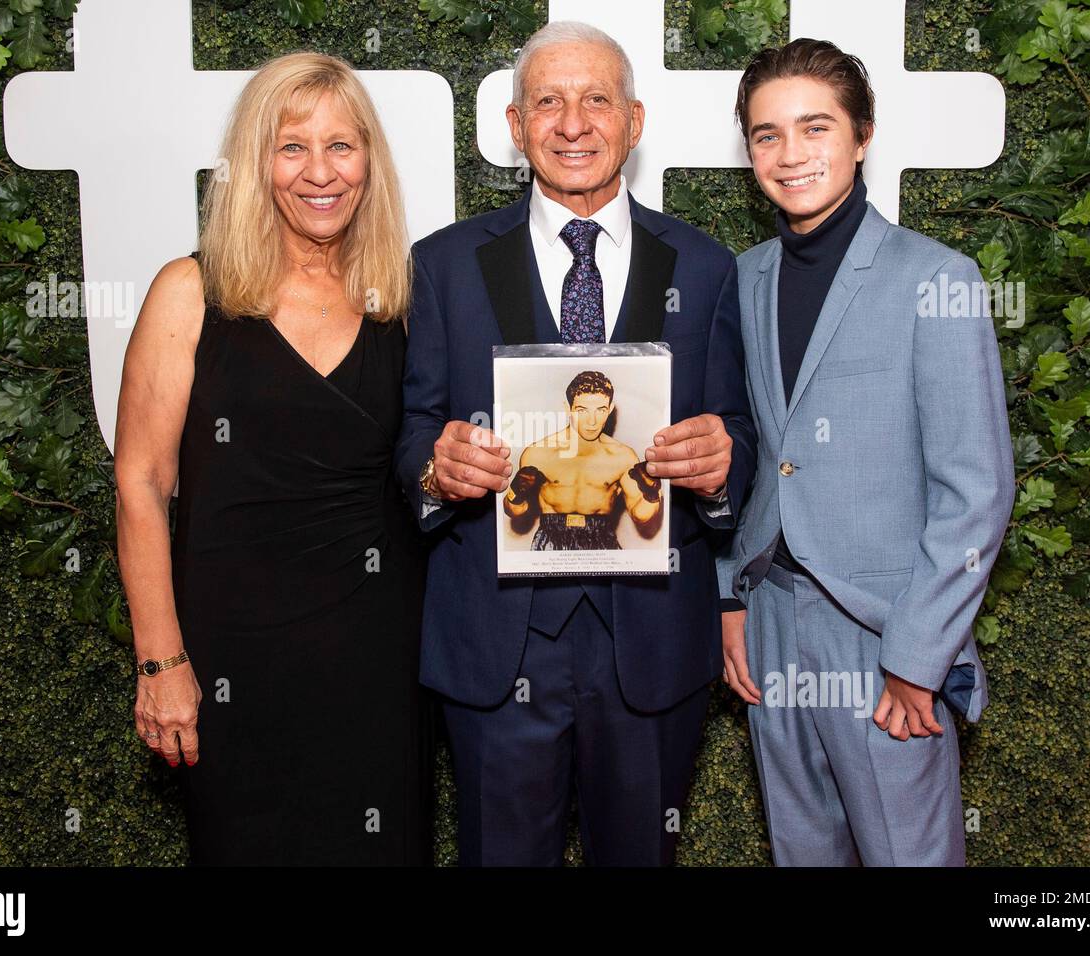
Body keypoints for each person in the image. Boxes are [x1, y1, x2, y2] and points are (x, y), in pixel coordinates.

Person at [397, 20, 757, 866]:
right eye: (547, 102)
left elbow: (739, 426)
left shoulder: (706, 268)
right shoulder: (443, 266)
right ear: (516, 127)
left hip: (651, 645)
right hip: (496, 641)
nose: (572, 122)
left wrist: (720, 462)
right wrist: (435, 468)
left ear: (633, 121)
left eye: (596, 99)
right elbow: (413, 429)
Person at [113, 52, 432, 865]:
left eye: (341, 146)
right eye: (292, 147)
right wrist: (162, 661)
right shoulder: (190, 293)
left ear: (370, 161)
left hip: (376, 657)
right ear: (255, 162)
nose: (319, 172)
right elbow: (141, 483)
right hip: (231, 662)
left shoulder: (403, 300)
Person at [715, 38, 1015, 866]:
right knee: (800, 852)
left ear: (862, 134)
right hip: (771, 619)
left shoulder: (937, 278)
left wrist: (918, 662)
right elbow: (743, 453)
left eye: (815, 127)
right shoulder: (743, 278)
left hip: (883, 634)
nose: (790, 153)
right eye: (767, 134)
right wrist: (730, 598)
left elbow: (977, 492)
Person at [504, 369, 663, 550]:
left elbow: (640, 514)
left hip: (602, 538)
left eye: (601, 410)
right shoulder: (538, 453)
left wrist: (651, 495)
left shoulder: (622, 456)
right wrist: (515, 493)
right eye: (582, 410)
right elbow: (514, 512)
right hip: (551, 539)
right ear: (568, 408)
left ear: (610, 409)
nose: (592, 422)